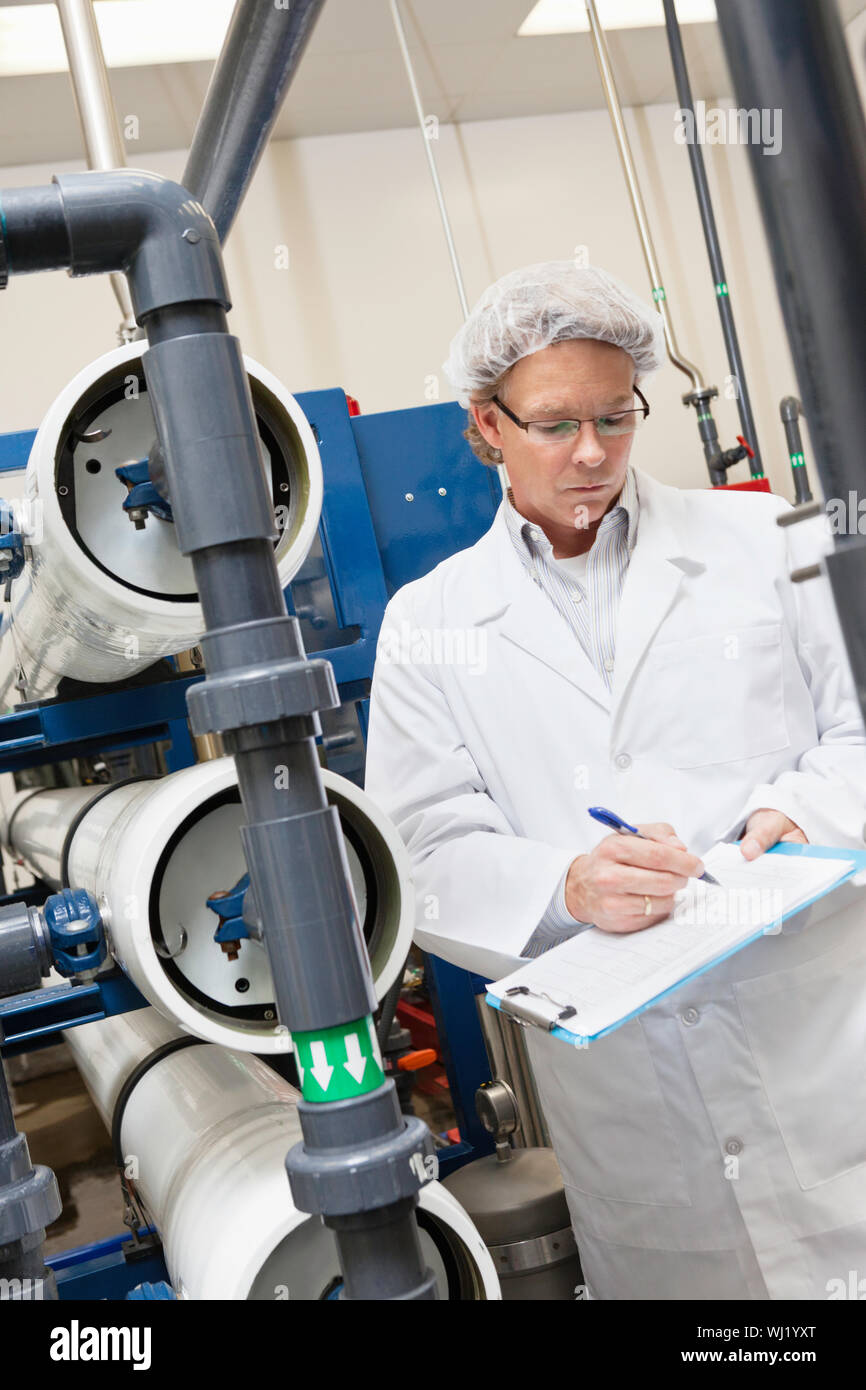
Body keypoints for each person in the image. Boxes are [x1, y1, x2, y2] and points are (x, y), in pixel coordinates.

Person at [364, 261, 866, 1299]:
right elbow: (422, 848)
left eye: (614, 417)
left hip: (818, 1039)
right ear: (484, 426)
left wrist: (795, 809)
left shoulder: (767, 535)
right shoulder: (433, 620)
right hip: (628, 1095)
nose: (590, 453)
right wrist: (563, 888)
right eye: (553, 425)